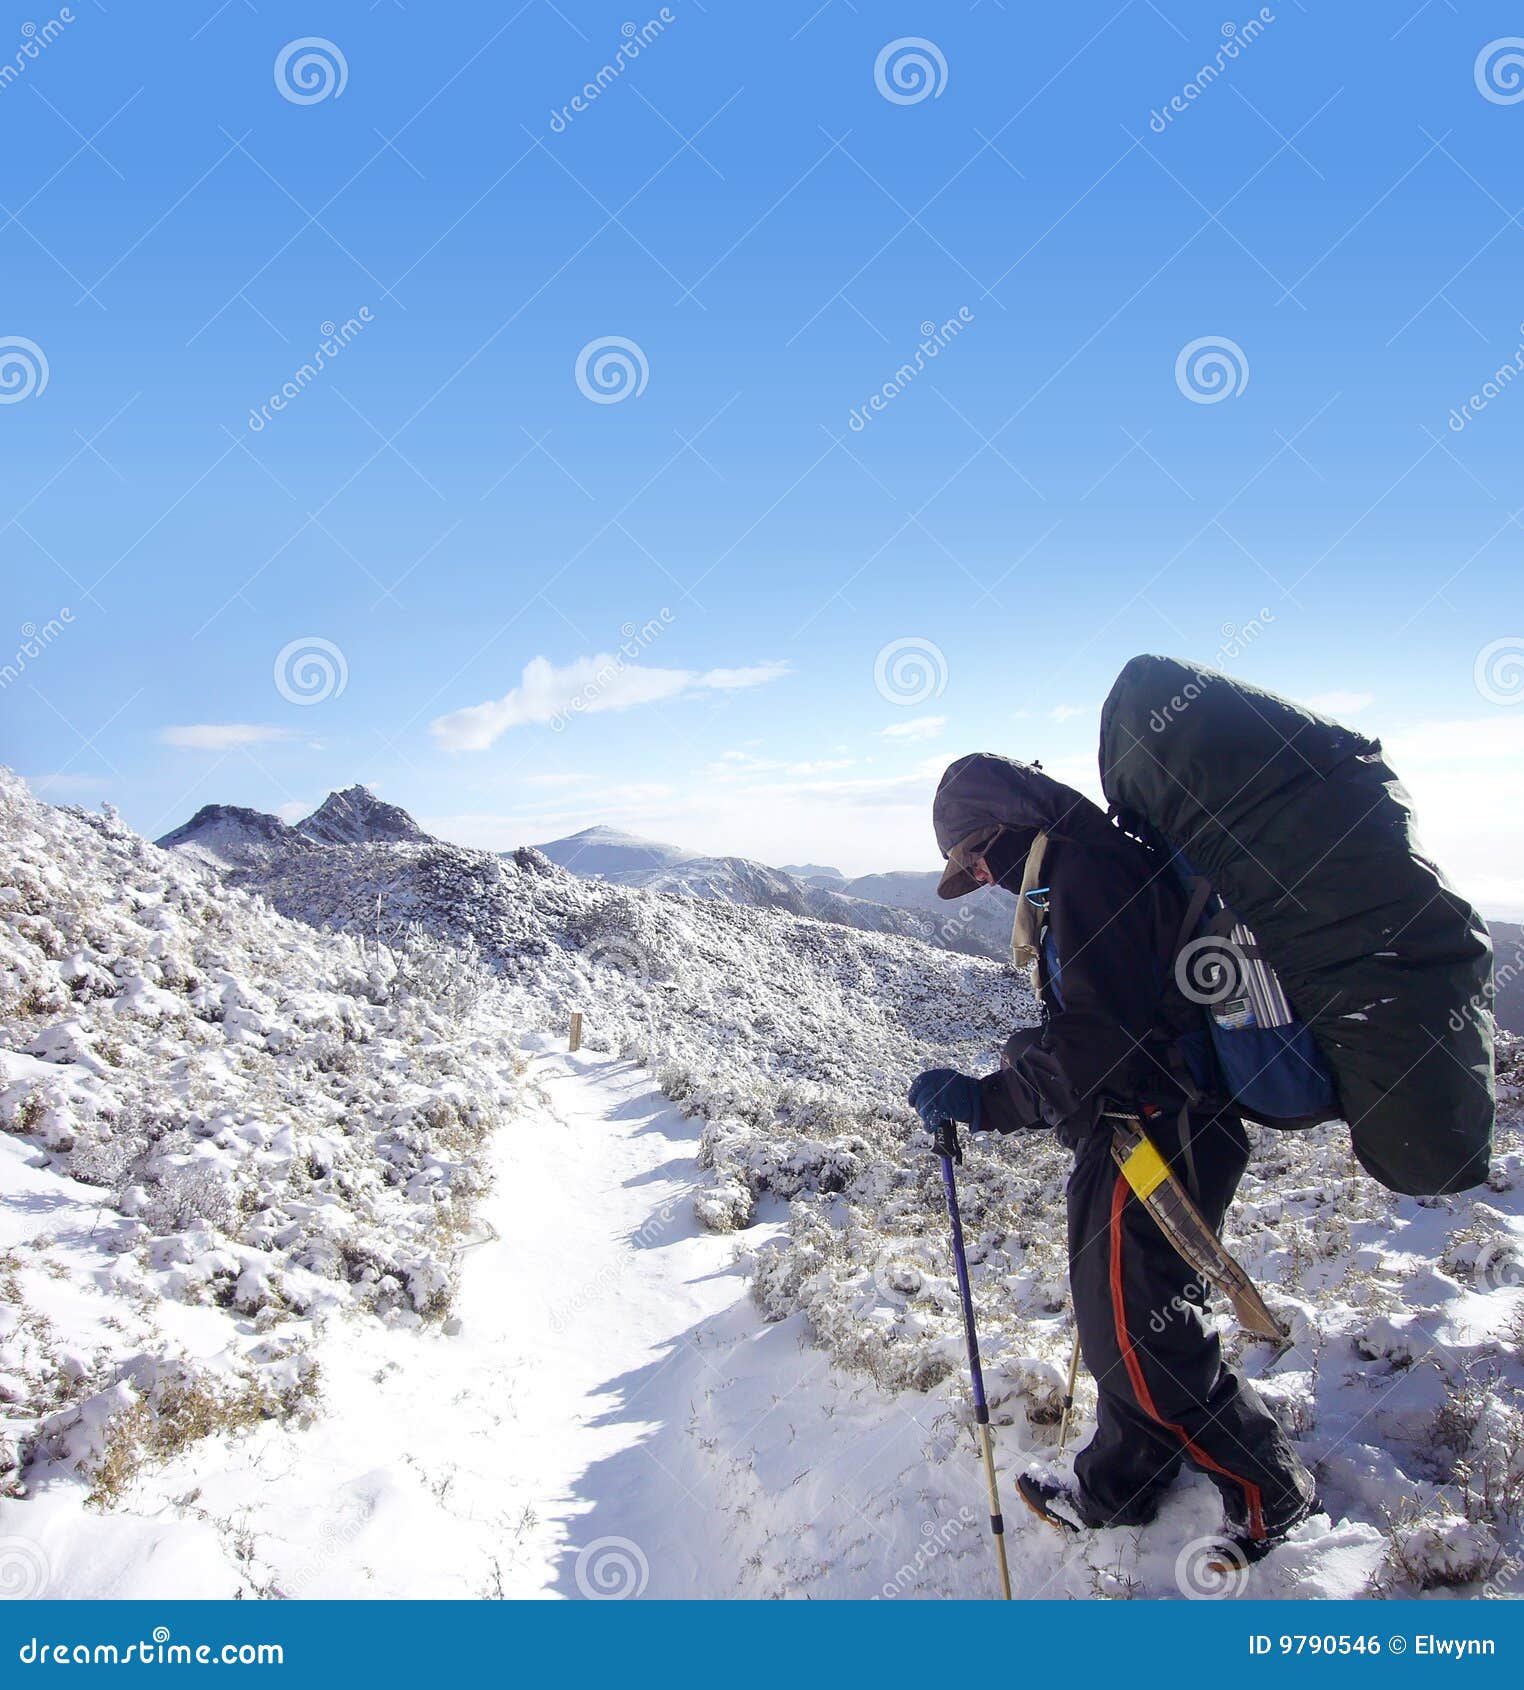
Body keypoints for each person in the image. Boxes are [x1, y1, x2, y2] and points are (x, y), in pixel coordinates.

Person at [907, 752, 1319, 1562]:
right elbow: (1099, 1027)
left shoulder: (1089, 874)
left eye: (977, 857)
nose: (982, 877)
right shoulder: (1077, 870)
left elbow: (1094, 1043)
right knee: (1119, 1321)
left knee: (1139, 1336)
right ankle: (1122, 1483)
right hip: (1143, 1129)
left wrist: (987, 1100)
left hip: (1159, 1133)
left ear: (1008, 822)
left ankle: (1270, 1488)